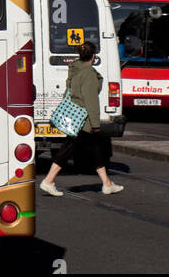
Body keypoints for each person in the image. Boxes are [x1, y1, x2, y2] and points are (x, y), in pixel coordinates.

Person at [39, 41, 123, 197]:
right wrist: (96, 124)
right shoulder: (89, 74)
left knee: (93, 148)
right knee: (70, 148)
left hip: (76, 116)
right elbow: (91, 101)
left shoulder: (75, 69)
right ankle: (48, 181)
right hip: (83, 119)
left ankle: (107, 183)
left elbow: (69, 92)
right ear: (93, 57)